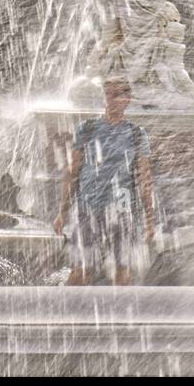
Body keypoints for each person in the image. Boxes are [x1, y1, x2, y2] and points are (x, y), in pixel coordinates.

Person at [52, 78, 156, 285]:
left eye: (118, 95)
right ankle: (67, 314)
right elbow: (72, 173)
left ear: (127, 99)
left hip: (122, 209)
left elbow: (145, 178)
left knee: (121, 272)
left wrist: (149, 219)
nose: (112, 100)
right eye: (108, 94)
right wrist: (62, 213)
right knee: (81, 272)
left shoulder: (136, 134)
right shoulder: (87, 128)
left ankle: (119, 316)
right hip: (87, 208)